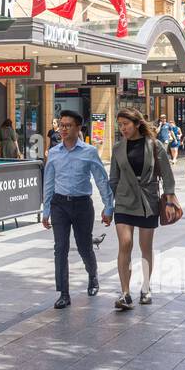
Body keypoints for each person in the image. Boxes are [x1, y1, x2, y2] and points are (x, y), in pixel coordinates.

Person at [96, 107, 179, 310]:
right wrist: (108, 207)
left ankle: (146, 287)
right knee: (125, 244)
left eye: (126, 124)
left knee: (145, 247)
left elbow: (167, 175)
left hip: (147, 201)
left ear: (137, 124)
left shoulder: (154, 145)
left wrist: (169, 200)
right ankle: (125, 293)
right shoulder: (117, 148)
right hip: (124, 201)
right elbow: (113, 179)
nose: (122, 128)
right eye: (120, 125)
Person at [41, 110, 114, 310]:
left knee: (84, 247)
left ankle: (93, 276)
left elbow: (101, 179)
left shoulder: (89, 152)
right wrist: (45, 209)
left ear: (78, 128)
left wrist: (108, 206)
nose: (63, 129)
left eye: (68, 125)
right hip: (59, 205)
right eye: (61, 125)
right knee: (60, 248)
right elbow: (48, 182)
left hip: (82, 205)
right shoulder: (54, 153)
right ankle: (64, 293)